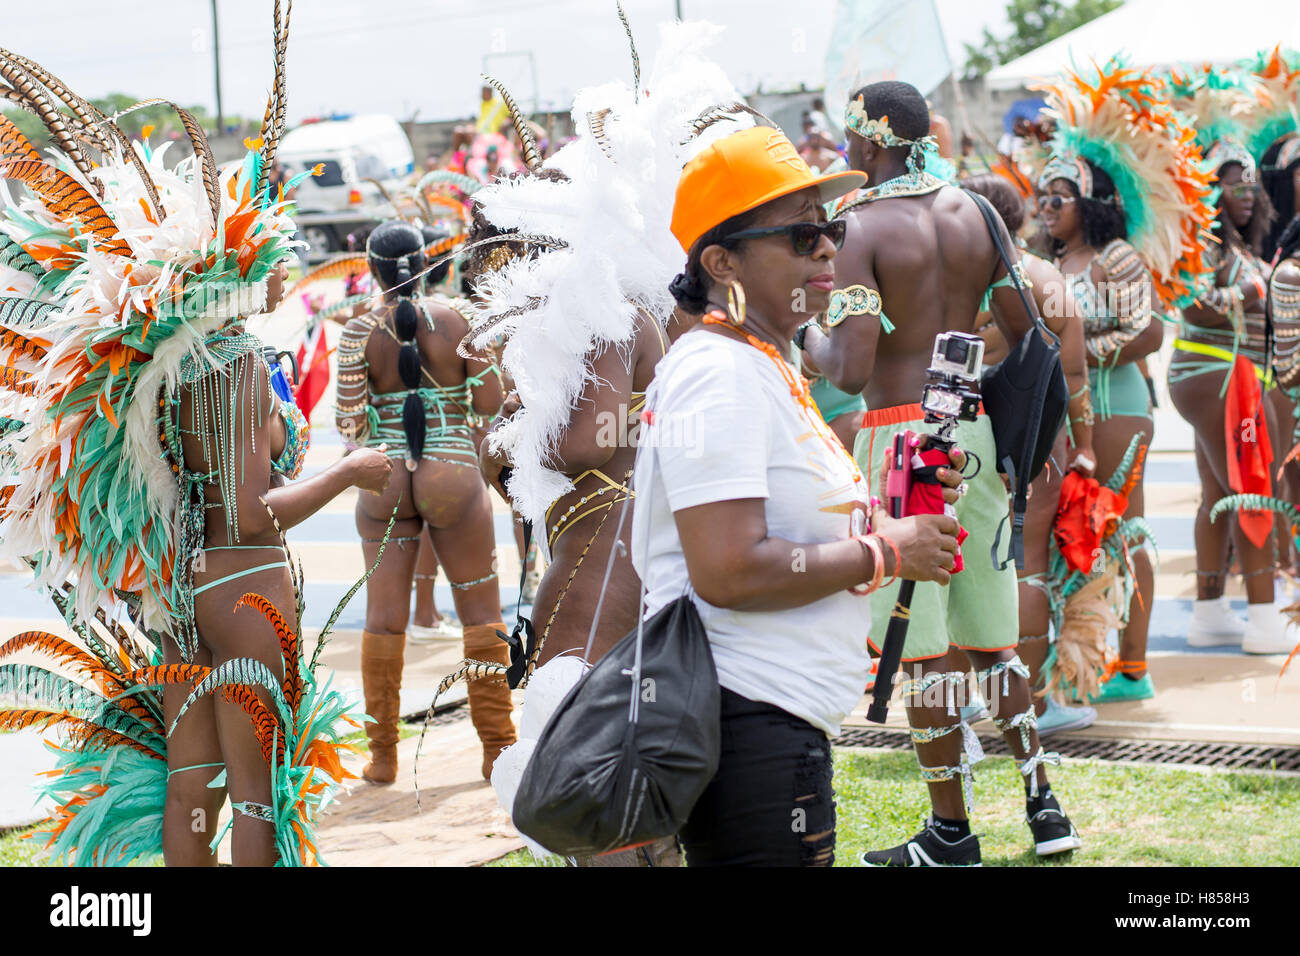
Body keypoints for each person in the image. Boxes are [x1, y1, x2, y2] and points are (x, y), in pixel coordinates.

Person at [0, 10, 387, 867]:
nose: (288, 259)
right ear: (235, 261)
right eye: (272, 244)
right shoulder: (241, 366)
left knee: (193, 789)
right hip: (246, 588)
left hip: (180, 597)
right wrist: (352, 468)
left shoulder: (167, 374)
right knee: (255, 796)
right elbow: (255, 513)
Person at [635, 123, 964, 867]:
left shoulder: (764, 363)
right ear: (721, 261)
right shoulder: (719, 374)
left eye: (832, 229)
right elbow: (729, 570)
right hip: (746, 719)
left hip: (774, 719)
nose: (827, 250)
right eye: (802, 234)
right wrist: (883, 551)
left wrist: (889, 511)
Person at [800, 80, 1077, 865]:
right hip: (977, 434)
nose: (845, 148)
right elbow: (1026, 329)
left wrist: (800, 334)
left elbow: (849, 372)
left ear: (875, 135)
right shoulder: (976, 213)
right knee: (991, 638)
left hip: (901, 442)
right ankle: (1044, 808)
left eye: (852, 134)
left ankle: (950, 833)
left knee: (921, 647)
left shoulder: (857, 227)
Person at [1035, 59, 1216, 701]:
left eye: (1058, 195)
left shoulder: (1117, 257)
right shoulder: (1051, 263)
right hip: (1073, 413)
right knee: (1078, 531)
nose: (1046, 206)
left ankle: (1133, 666)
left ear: (1089, 201)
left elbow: (1148, 334)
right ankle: (1086, 656)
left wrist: (1076, 352)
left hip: (1119, 408)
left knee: (1125, 527)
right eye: (1041, 197)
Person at [335, 219, 513, 783]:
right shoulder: (463, 319)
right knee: (481, 616)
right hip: (454, 473)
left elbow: (349, 422)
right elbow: (490, 407)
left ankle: (383, 756)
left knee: (384, 621)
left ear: (372, 271)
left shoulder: (356, 332)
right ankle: (498, 749)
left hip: (382, 478)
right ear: (427, 263)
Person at [962, 174, 1098, 735]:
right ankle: (1034, 706)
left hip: (958, 436)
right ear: (1018, 218)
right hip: (1033, 441)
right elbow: (1073, 374)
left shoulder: (943, 279)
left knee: (952, 566)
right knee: (1028, 563)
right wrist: (1084, 445)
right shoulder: (1045, 278)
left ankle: (957, 705)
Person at [1169, 135, 1292, 652]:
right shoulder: (1205, 241)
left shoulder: (1236, 245)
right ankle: (1266, 619)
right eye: (1231, 178)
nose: (1245, 189)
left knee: (1219, 495)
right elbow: (1194, 303)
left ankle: (1210, 610)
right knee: (1253, 488)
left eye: (1251, 180)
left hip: (1223, 376)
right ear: (1208, 187)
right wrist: (1250, 291)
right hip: (1220, 374)